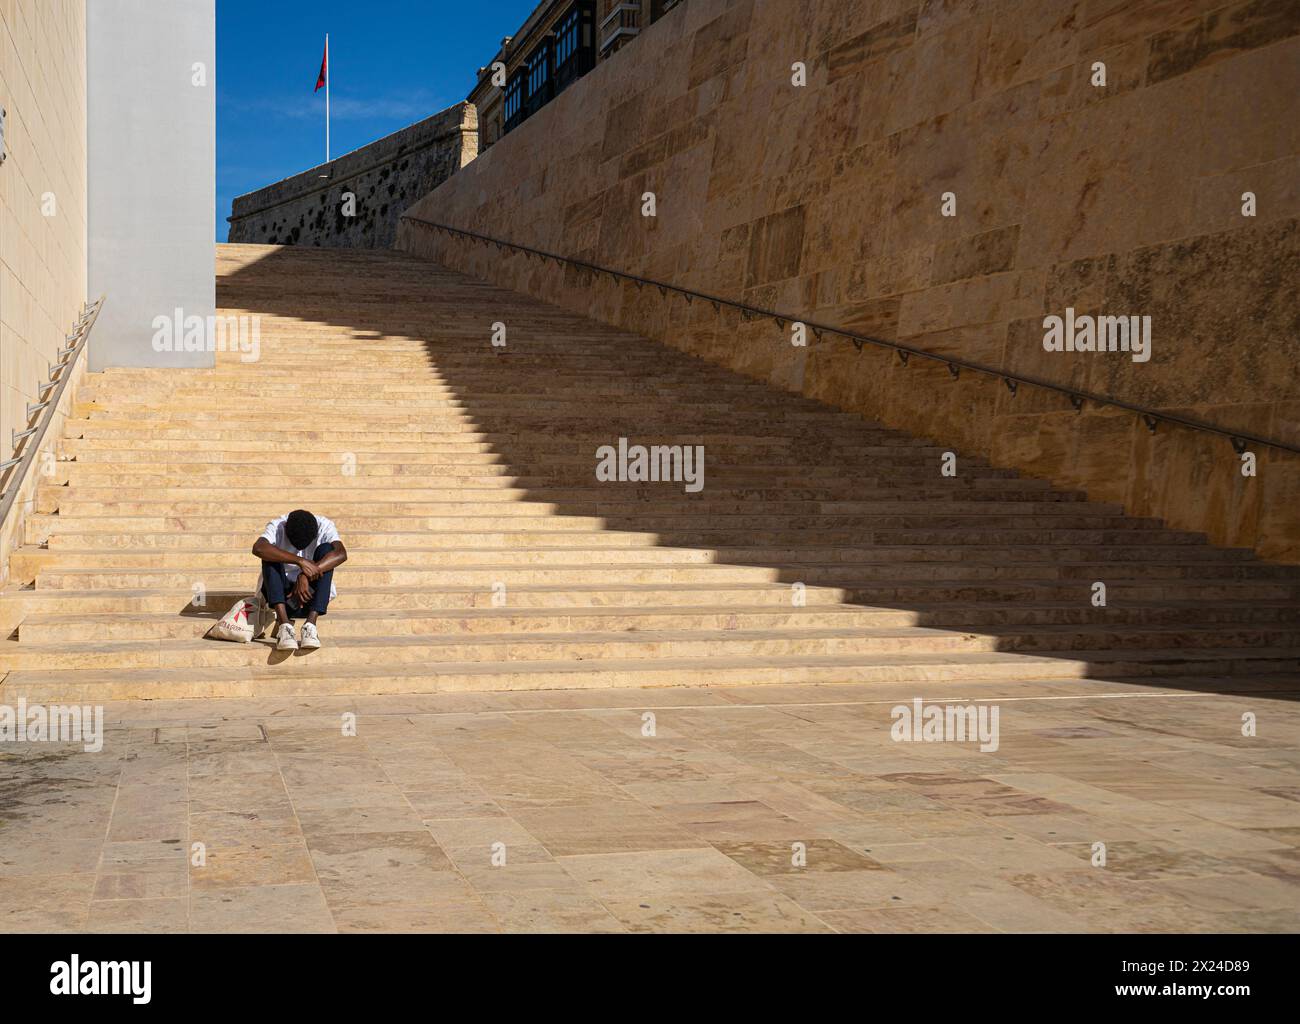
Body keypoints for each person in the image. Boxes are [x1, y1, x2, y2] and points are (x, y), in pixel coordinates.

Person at [252, 509, 348, 651]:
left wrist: (304, 575)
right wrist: (300, 561)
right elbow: (258, 548)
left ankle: (310, 625)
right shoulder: (278, 525)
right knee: (269, 553)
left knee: (327, 550)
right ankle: (284, 626)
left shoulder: (325, 526)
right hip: (280, 597)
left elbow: (341, 554)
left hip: (310, 597)